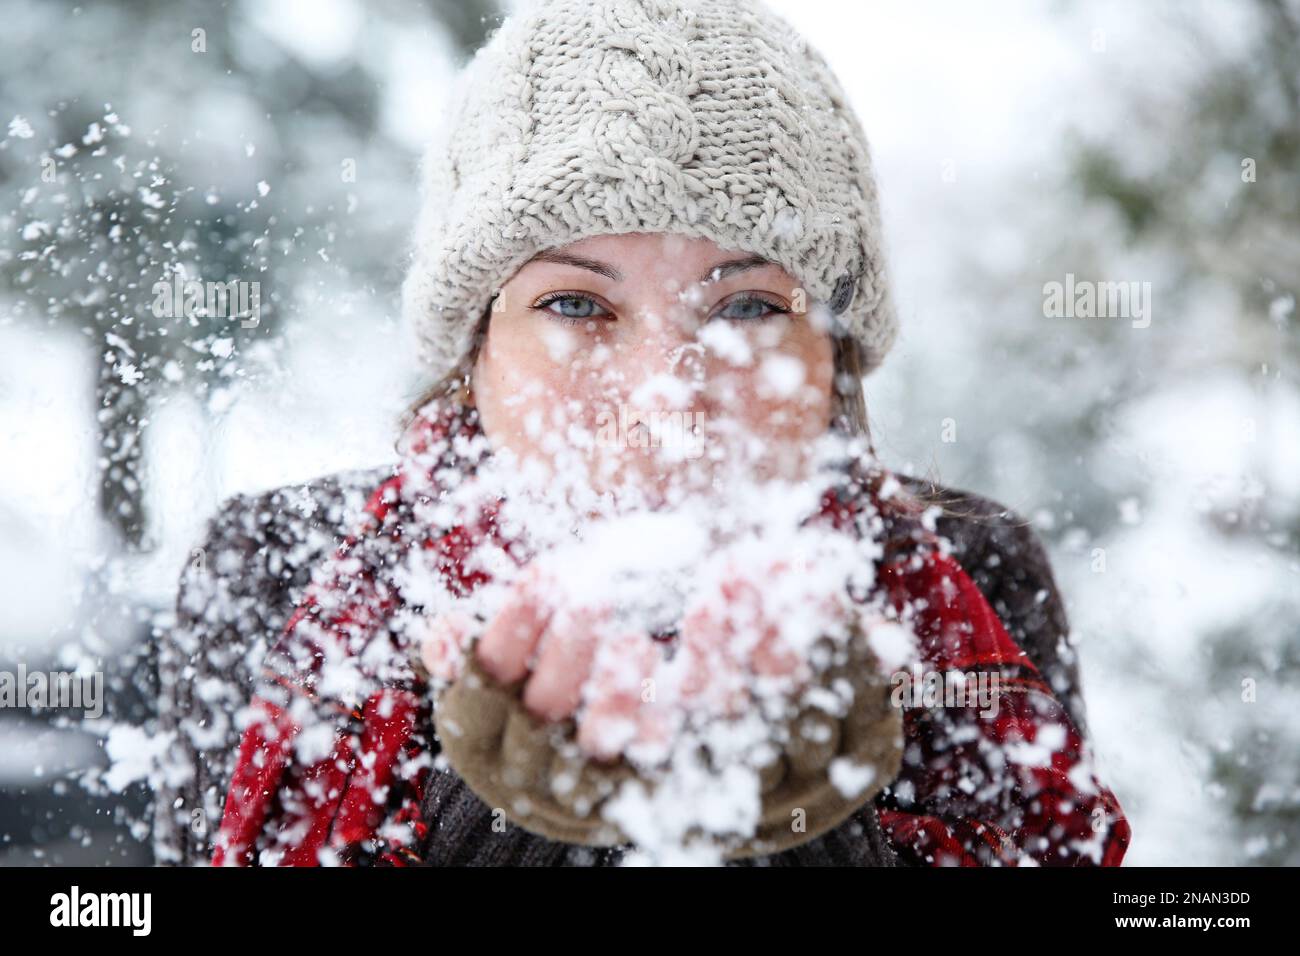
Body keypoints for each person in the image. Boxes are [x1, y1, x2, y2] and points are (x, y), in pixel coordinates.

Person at [152, 0, 1129, 867]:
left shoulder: (973, 577)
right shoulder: (276, 571)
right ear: (477, 345)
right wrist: (503, 823)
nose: (666, 396)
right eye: (577, 303)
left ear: (831, 354)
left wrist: (801, 827)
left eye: (745, 306)